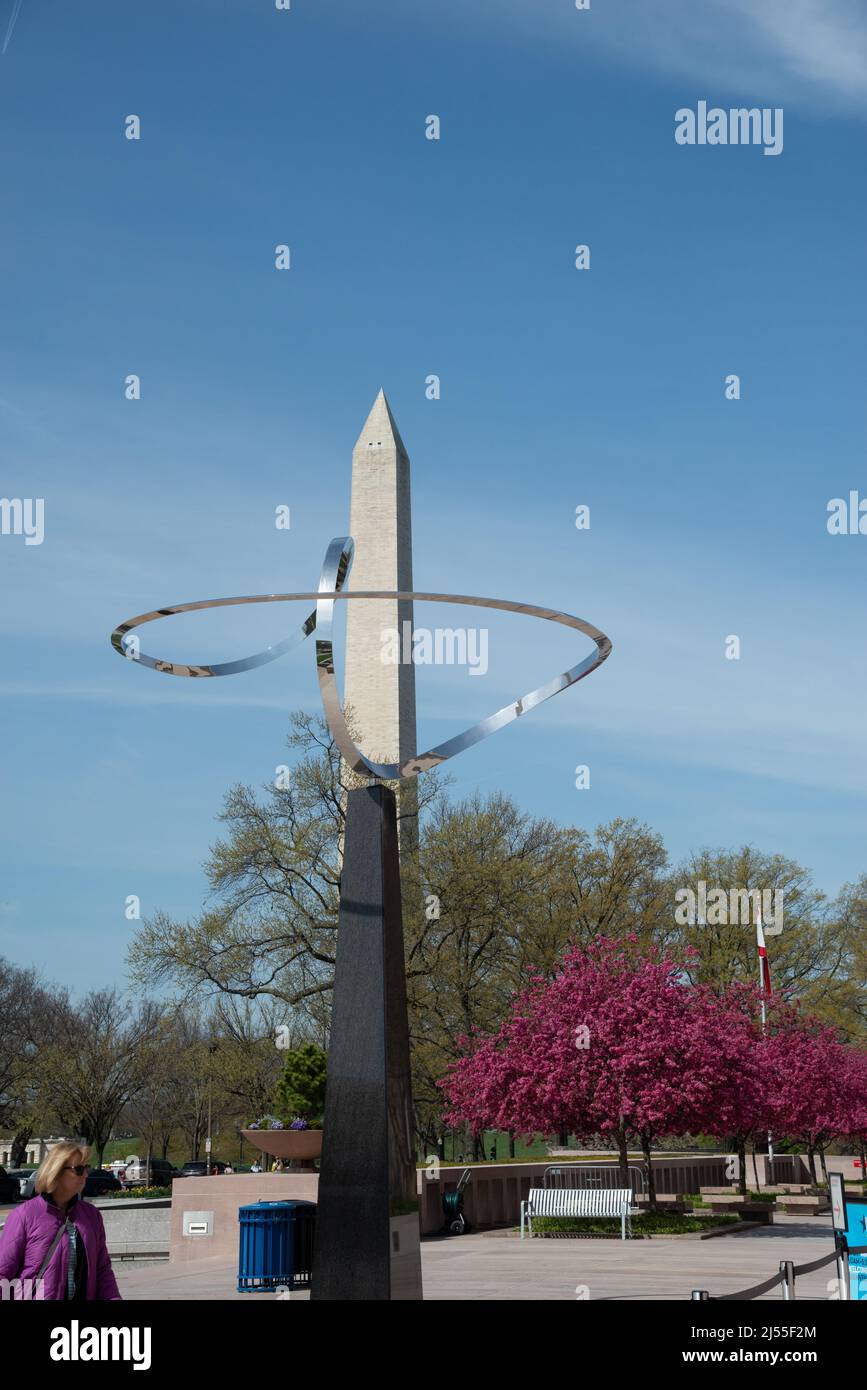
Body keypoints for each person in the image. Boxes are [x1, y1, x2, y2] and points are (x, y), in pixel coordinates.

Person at [0, 1141, 121, 1301]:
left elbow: (103, 1271)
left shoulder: (91, 1215)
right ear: (56, 1171)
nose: (85, 1174)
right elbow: (3, 1272)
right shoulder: (25, 1215)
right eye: (78, 1169)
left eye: (86, 1168)